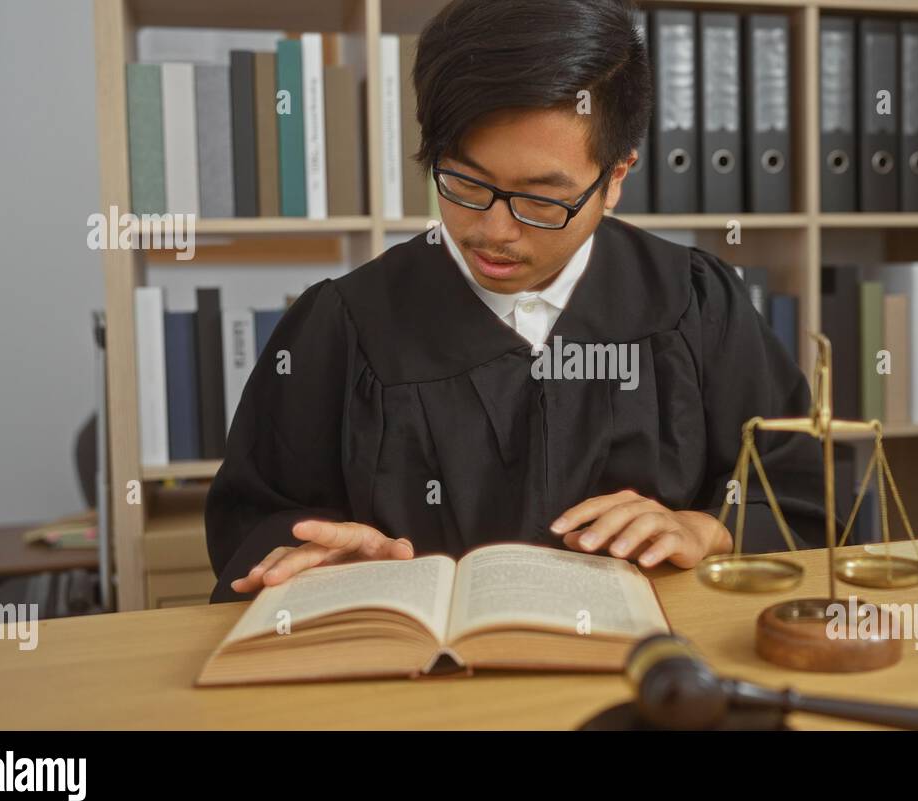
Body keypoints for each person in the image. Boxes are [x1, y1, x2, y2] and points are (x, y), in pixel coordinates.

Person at [206, 0, 826, 603]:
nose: (495, 233)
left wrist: (709, 530)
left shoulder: (692, 302)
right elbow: (256, 518)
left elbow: (804, 491)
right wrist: (313, 559)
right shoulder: (344, 325)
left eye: (541, 199)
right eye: (465, 183)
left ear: (615, 177)